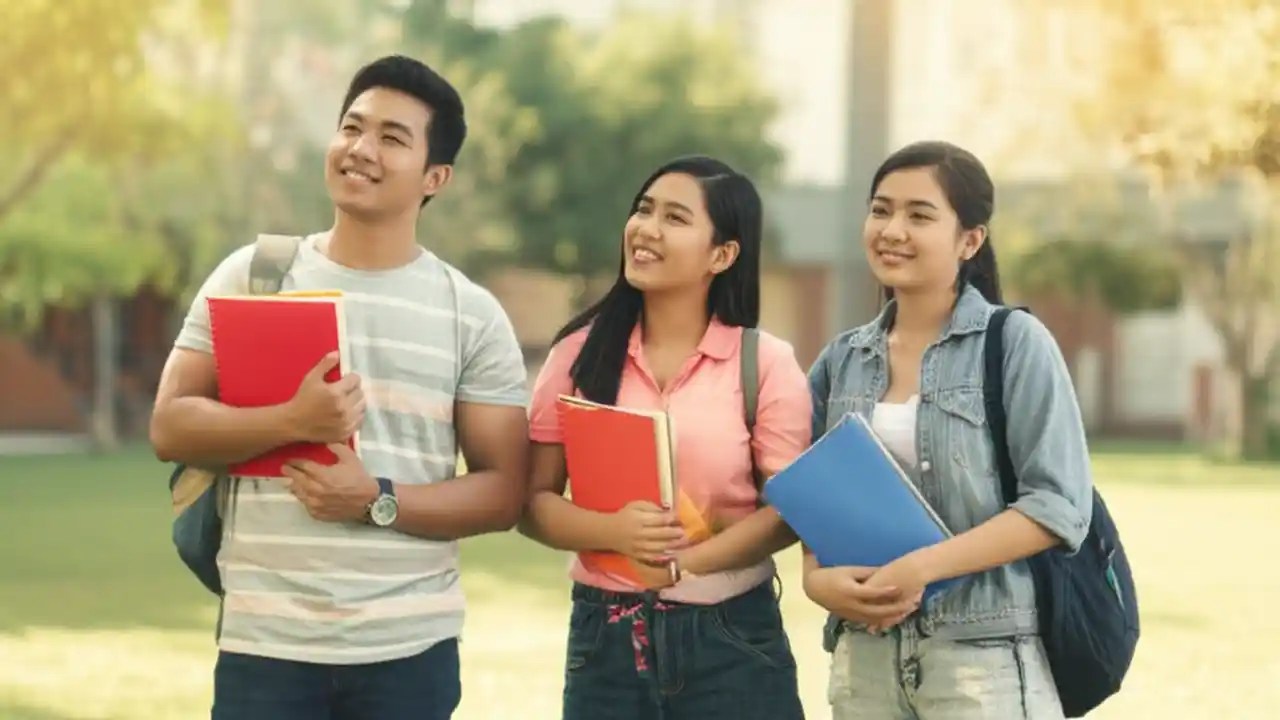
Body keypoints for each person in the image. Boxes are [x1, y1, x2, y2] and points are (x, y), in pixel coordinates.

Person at [149, 55, 530, 720]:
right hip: (263, 648)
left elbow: (502, 492)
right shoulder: (255, 274)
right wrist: (292, 419)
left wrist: (375, 499)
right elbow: (169, 427)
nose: (361, 149)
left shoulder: (469, 313)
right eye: (351, 127)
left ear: (435, 177)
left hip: (408, 655)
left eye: (391, 137)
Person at [803, 140, 1091, 718]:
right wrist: (816, 581)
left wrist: (923, 567)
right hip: (865, 663)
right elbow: (813, 498)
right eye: (880, 210)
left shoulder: (1014, 343)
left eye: (919, 214)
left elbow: (1059, 504)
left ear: (970, 240)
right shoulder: (841, 360)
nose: (891, 229)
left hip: (982, 661)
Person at [519, 156, 812, 719]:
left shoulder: (766, 364)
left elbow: (790, 512)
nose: (647, 228)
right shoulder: (577, 355)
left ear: (722, 255)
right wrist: (613, 531)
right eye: (643, 209)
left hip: (732, 639)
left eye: (675, 218)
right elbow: (532, 504)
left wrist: (691, 562)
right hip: (605, 641)